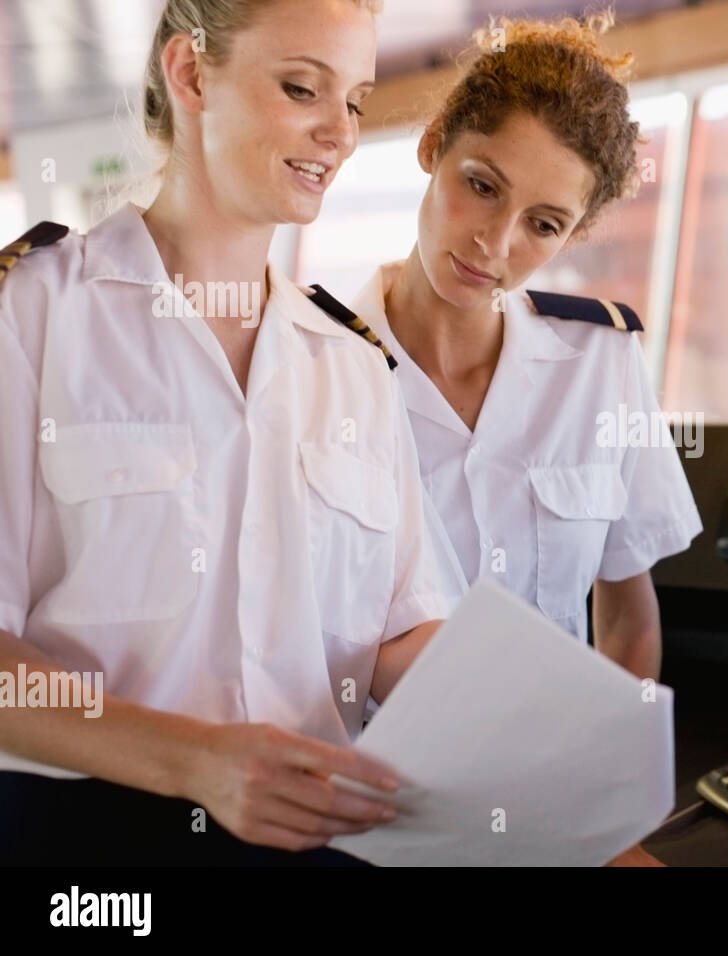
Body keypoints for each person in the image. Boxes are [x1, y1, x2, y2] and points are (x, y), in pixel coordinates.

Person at [0, 0, 461, 865]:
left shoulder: (354, 367)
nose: (340, 134)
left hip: (316, 834)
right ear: (190, 74)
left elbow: (401, 633)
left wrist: (540, 735)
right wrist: (197, 763)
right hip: (86, 843)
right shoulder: (31, 315)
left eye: (356, 103)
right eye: (302, 89)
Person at [350, 12, 703, 681]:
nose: (496, 242)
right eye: (482, 186)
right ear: (433, 146)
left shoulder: (603, 365)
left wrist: (614, 763)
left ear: (571, 237)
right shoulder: (316, 361)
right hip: (369, 769)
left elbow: (626, 605)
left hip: (552, 774)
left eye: (542, 224)